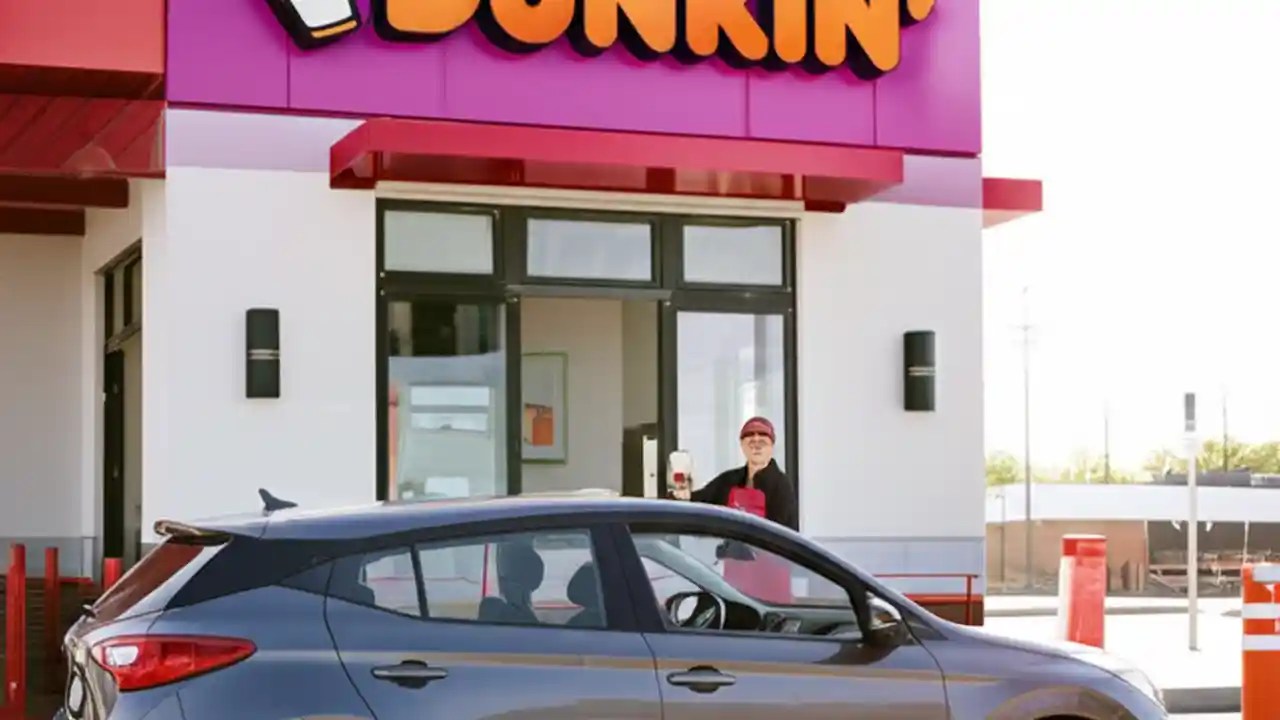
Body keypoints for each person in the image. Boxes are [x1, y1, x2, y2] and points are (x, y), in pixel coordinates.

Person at [684, 416, 798, 531]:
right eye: (751, 443)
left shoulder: (781, 485)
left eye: (762, 443)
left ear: (771, 446)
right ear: (743, 446)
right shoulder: (729, 480)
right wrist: (681, 496)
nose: (756, 448)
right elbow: (701, 502)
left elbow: (782, 533)